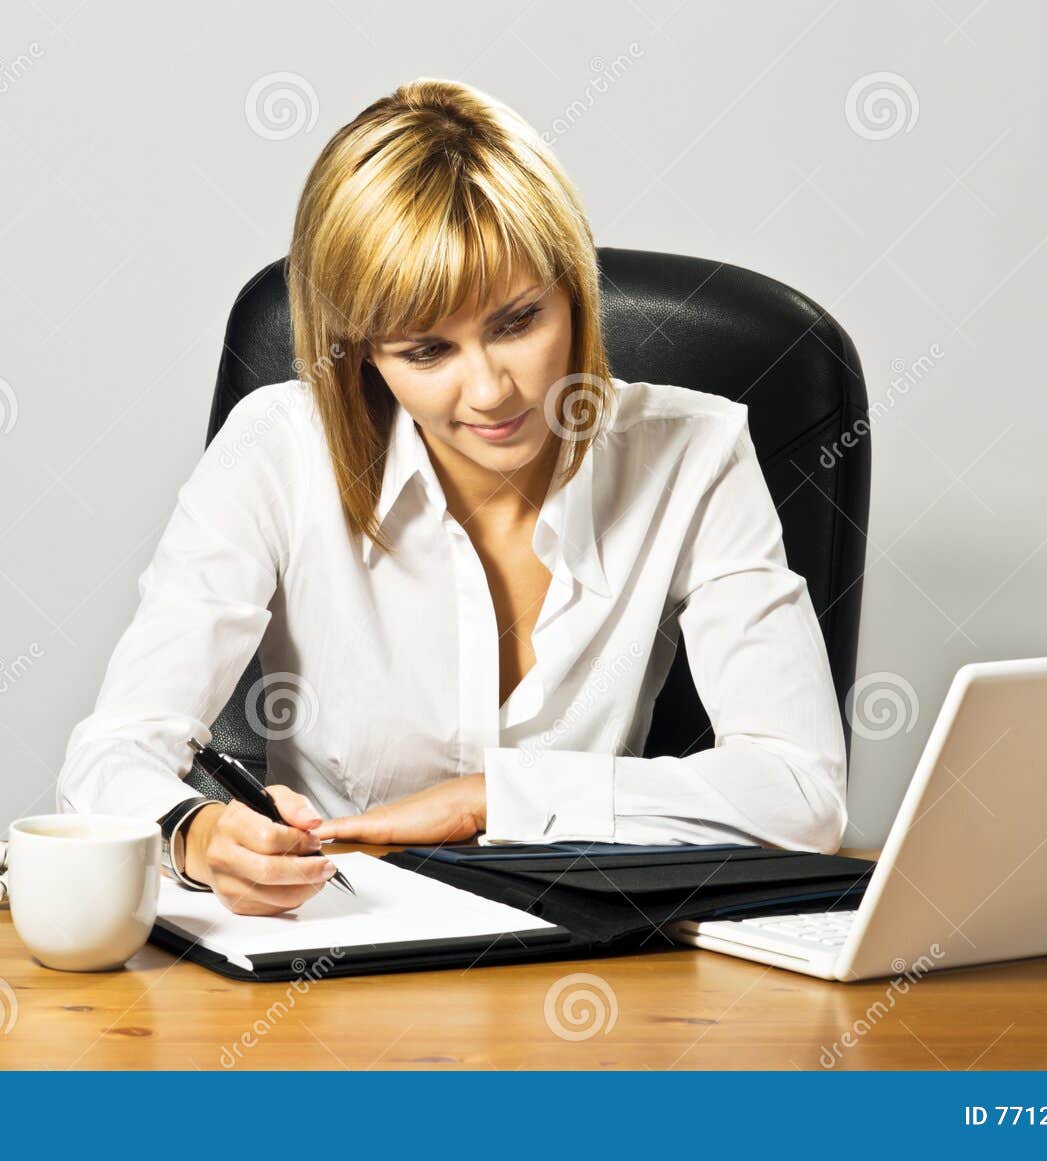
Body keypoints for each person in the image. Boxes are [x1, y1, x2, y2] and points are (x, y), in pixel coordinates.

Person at [56, 78, 848, 916]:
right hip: (336, 940)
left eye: (516, 321)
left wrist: (492, 799)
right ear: (364, 354)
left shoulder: (693, 452)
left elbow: (802, 793)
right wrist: (195, 832)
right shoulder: (278, 449)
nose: (490, 390)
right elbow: (105, 758)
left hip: (590, 958)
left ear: (572, 287)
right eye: (427, 350)